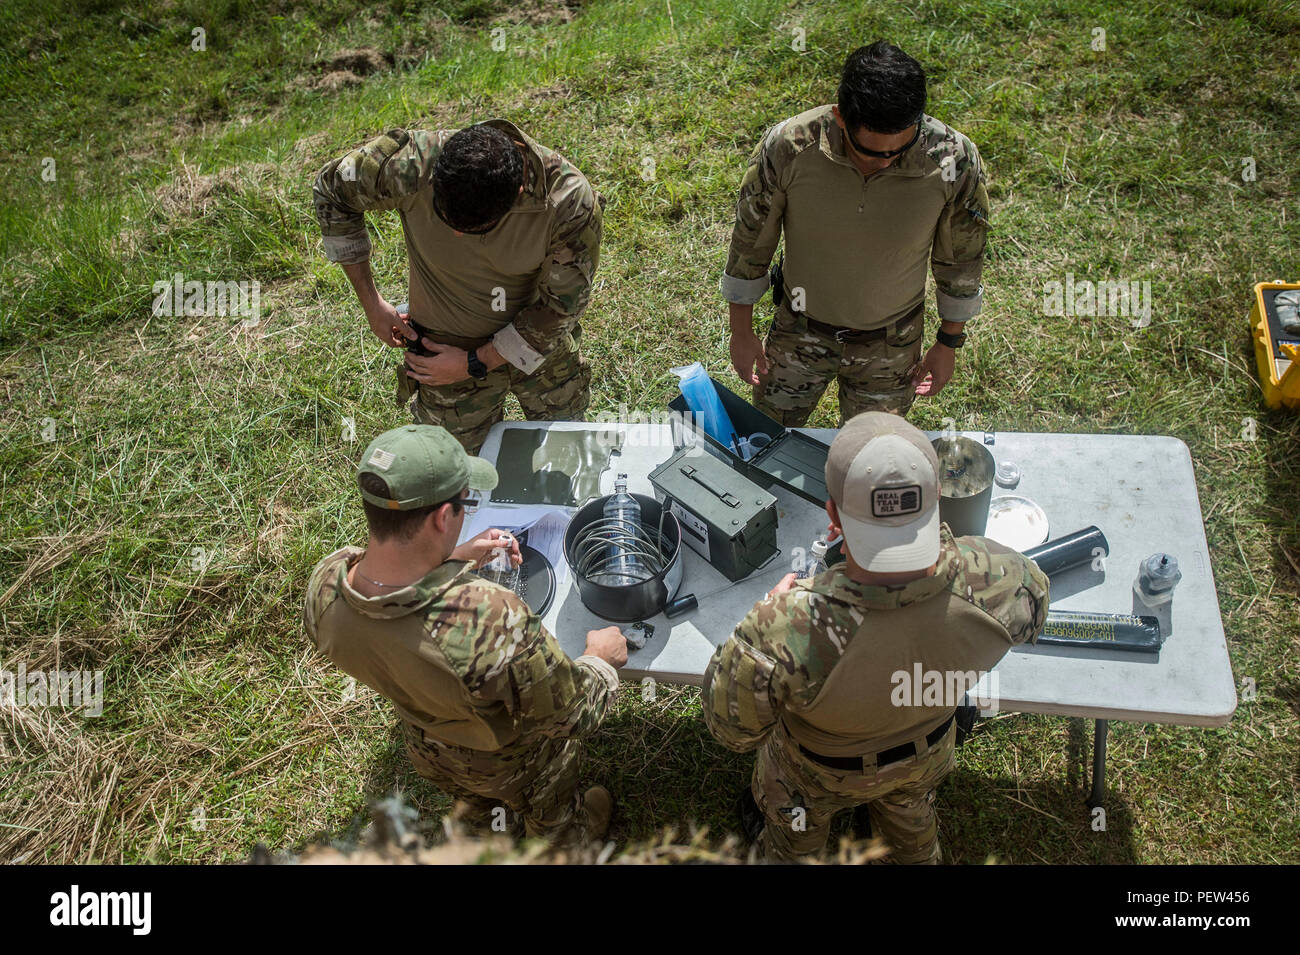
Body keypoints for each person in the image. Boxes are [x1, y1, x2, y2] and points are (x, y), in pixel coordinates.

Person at [702, 412, 1049, 862]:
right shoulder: (1002, 579)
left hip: (815, 777)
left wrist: (765, 618)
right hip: (924, 758)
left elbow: (731, 729)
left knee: (795, 839)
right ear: (936, 503)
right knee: (911, 820)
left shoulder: (784, 627)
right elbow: (1034, 610)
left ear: (832, 517)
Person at [303, 424, 628, 843]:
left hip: (428, 750)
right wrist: (600, 660)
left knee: (478, 802)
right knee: (553, 811)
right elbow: (572, 715)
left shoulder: (325, 586)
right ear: (442, 517)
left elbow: (395, 607)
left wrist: (452, 557)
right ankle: (564, 838)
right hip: (515, 762)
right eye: (464, 503)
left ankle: (485, 826)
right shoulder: (491, 620)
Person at [722, 42, 991, 425]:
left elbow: (962, 260)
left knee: (875, 460)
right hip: (798, 331)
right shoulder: (790, 146)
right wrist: (741, 331)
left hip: (892, 345)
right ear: (840, 118)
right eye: (871, 151)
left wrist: (948, 342)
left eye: (899, 149)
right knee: (767, 439)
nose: (886, 162)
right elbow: (751, 241)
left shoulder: (953, 160)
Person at [313, 120, 603, 452]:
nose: (456, 235)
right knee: (459, 478)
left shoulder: (566, 201)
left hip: (539, 349)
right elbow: (332, 190)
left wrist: (475, 361)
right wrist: (371, 303)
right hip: (441, 357)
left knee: (568, 462)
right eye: (445, 218)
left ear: (518, 194)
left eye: (475, 229)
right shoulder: (412, 166)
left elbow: (560, 307)